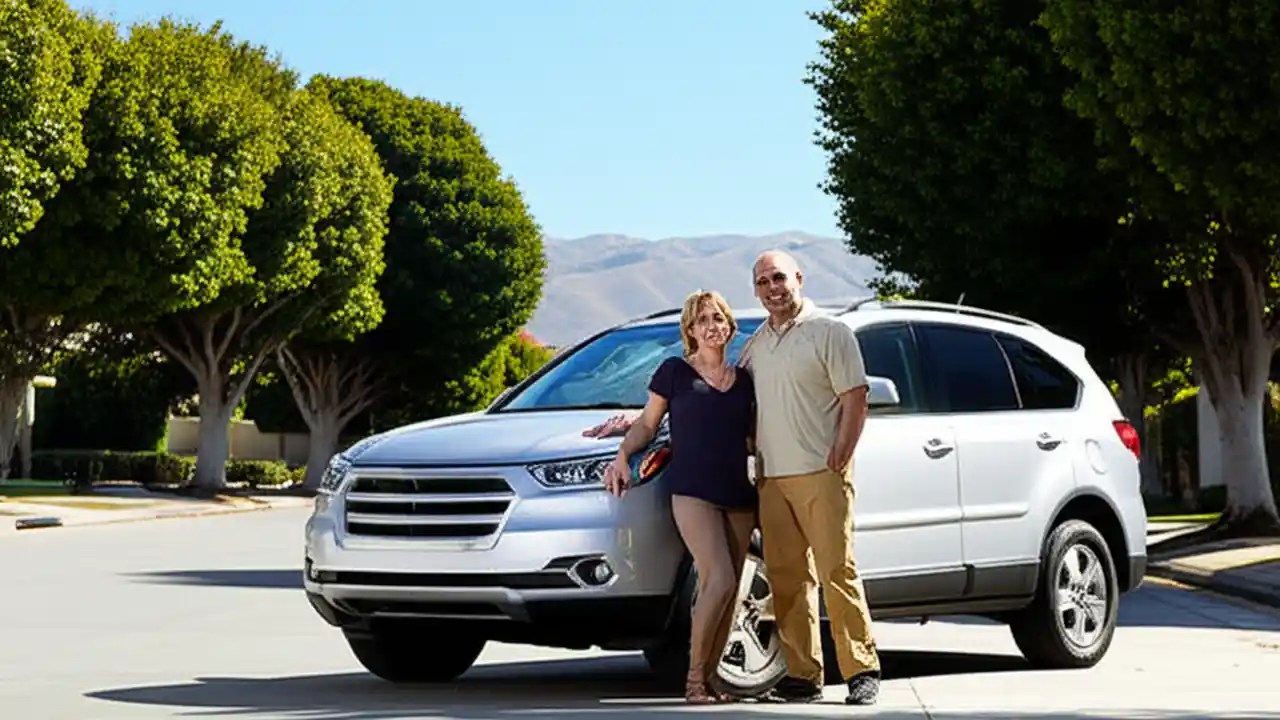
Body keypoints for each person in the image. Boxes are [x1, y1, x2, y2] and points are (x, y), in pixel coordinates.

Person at [586, 250, 881, 706]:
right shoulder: (757, 347)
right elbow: (691, 408)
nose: (772, 288)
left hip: (819, 474)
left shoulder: (830, 332)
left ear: (799, 278)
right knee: (786, 578)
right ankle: (803, 674)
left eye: (779, 278)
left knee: (835, 571)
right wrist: (627, 428)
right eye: (762, 282)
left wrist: (839, 456)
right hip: (768, 480)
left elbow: (855, 398)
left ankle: (861, 669)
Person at [599, 289, 758, 704]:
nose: (712, 326)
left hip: (739, 492)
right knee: (717, 577)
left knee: (731, 589)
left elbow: (753, 436)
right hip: (692, 490)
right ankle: (692, 681)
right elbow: (649, 425)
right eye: (703, 320)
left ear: (729, 325)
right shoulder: (673, 372)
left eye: (719, 318)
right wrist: (622, 455)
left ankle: (713, 680)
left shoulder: (744, 380)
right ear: (690, 330)